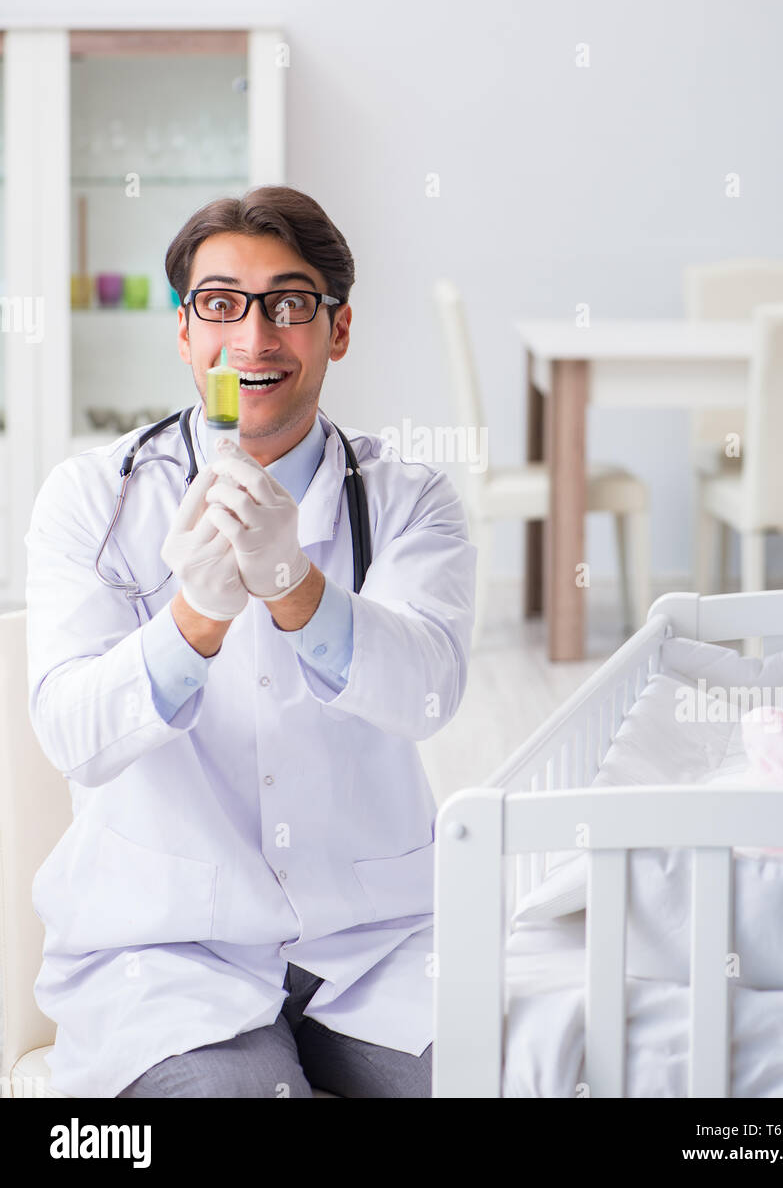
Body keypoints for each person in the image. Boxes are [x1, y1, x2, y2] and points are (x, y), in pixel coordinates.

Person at [25, 186, 476, 1099]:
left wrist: (295, 589)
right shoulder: (92, 498)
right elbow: (72, 734)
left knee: (493, 1080)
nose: (256, 338)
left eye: (290, 303)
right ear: (186, 334)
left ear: (336, 330)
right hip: (165, 947)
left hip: (376, 939)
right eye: (222, 303)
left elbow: (428, 692)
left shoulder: (407, 499)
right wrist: (194, 617)